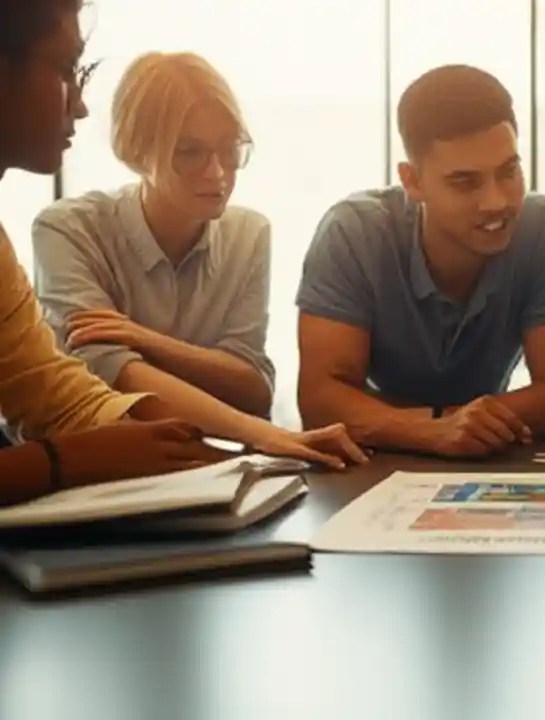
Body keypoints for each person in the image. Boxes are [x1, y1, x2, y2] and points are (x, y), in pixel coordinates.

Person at [32, 51, 366, 471]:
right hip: (84, 470)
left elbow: (254, 388)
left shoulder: (248, 232)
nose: (218, 173)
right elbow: (110, 371)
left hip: (203, 468)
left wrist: (145, 338)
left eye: (230, 150)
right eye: (190, 152)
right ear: (137, 152)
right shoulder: (67, 228)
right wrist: (264, 434)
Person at [0, 0, 231, 506]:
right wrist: (63, 460)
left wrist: (194, 450)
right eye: (65, 69)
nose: (81, 104)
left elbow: (52, 392)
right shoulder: (65, 227)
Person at [297, 64, 545, 458]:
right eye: (464, 182)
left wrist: (454, 426)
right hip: (381, 461)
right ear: (412, 181)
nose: (497, 202)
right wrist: (434, 428)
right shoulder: (352, 231)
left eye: (509, 171)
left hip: (479, 456)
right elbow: (320, 402)